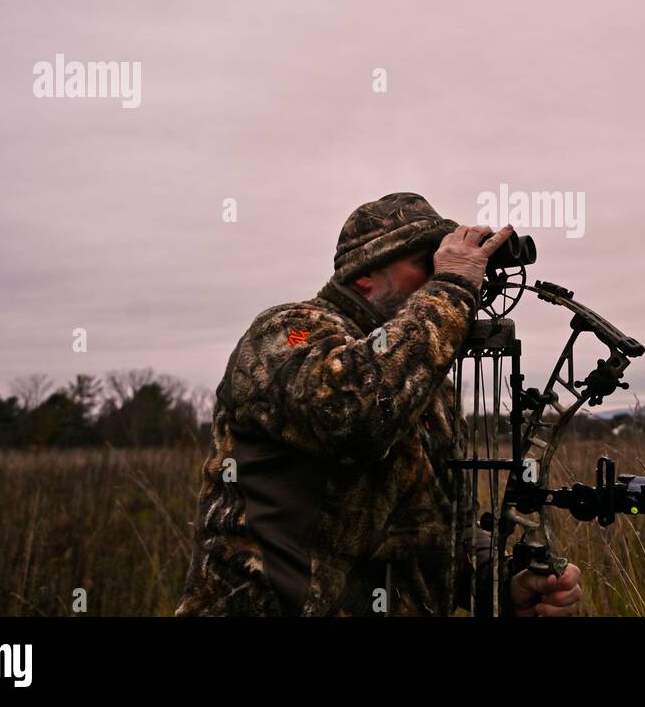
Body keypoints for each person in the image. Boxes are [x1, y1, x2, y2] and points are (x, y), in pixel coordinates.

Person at [175, 192, 583, 616]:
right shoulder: (287, 333)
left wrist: (508, 589)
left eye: (445, 263)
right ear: (364, 274)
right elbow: (354, 417)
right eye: (428, 262)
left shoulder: (427, 384)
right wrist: (453, 286)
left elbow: (444, 537)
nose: (441, 273)